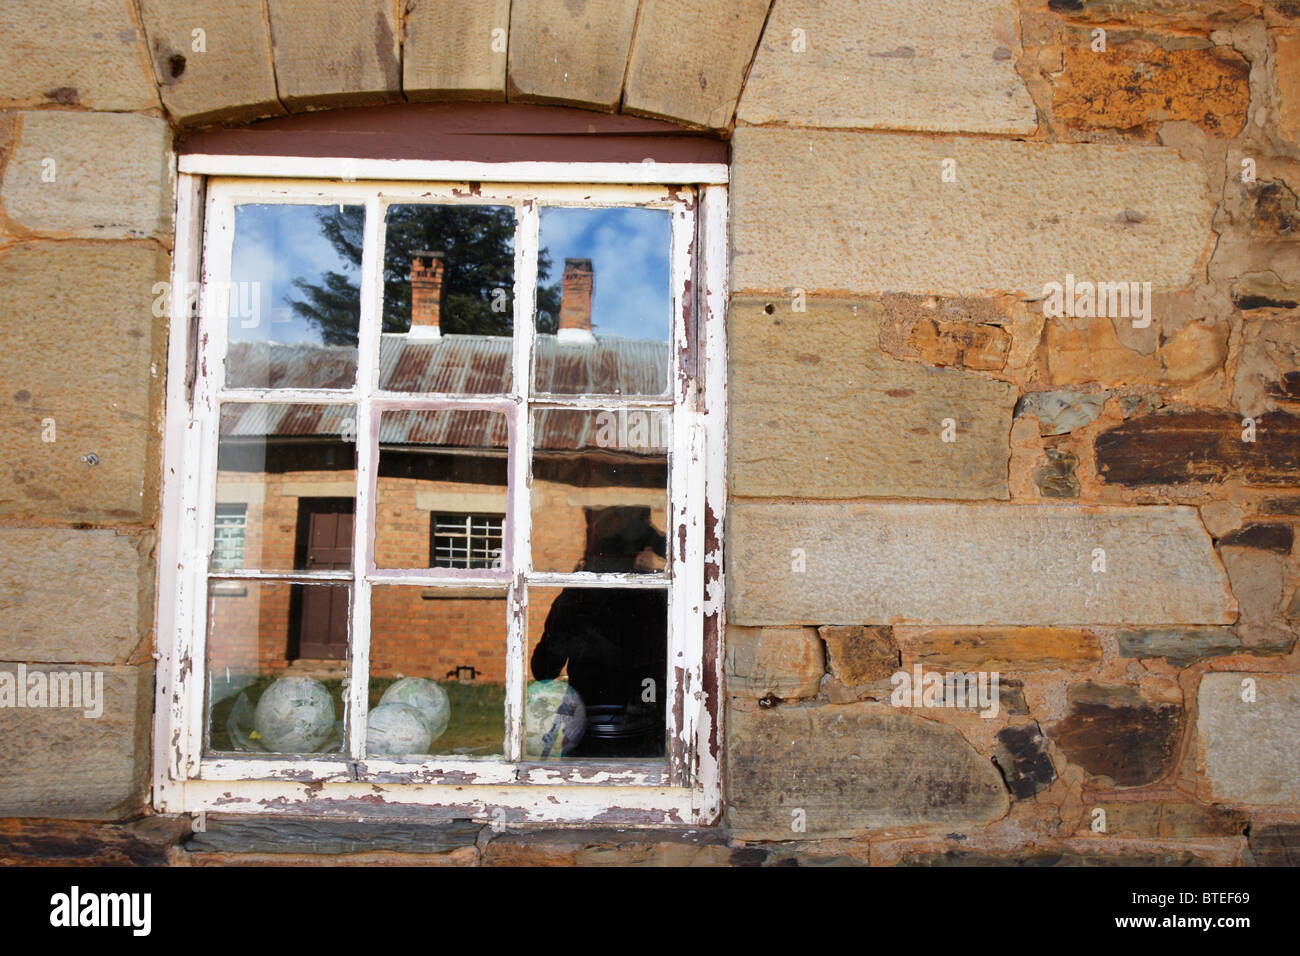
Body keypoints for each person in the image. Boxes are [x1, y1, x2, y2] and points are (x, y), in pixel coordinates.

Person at [530, 507, 667, 757]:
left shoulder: (651, 594)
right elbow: (543, 670)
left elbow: (543, 670)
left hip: (628, 729)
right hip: (623, 731)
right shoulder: (654, 594)